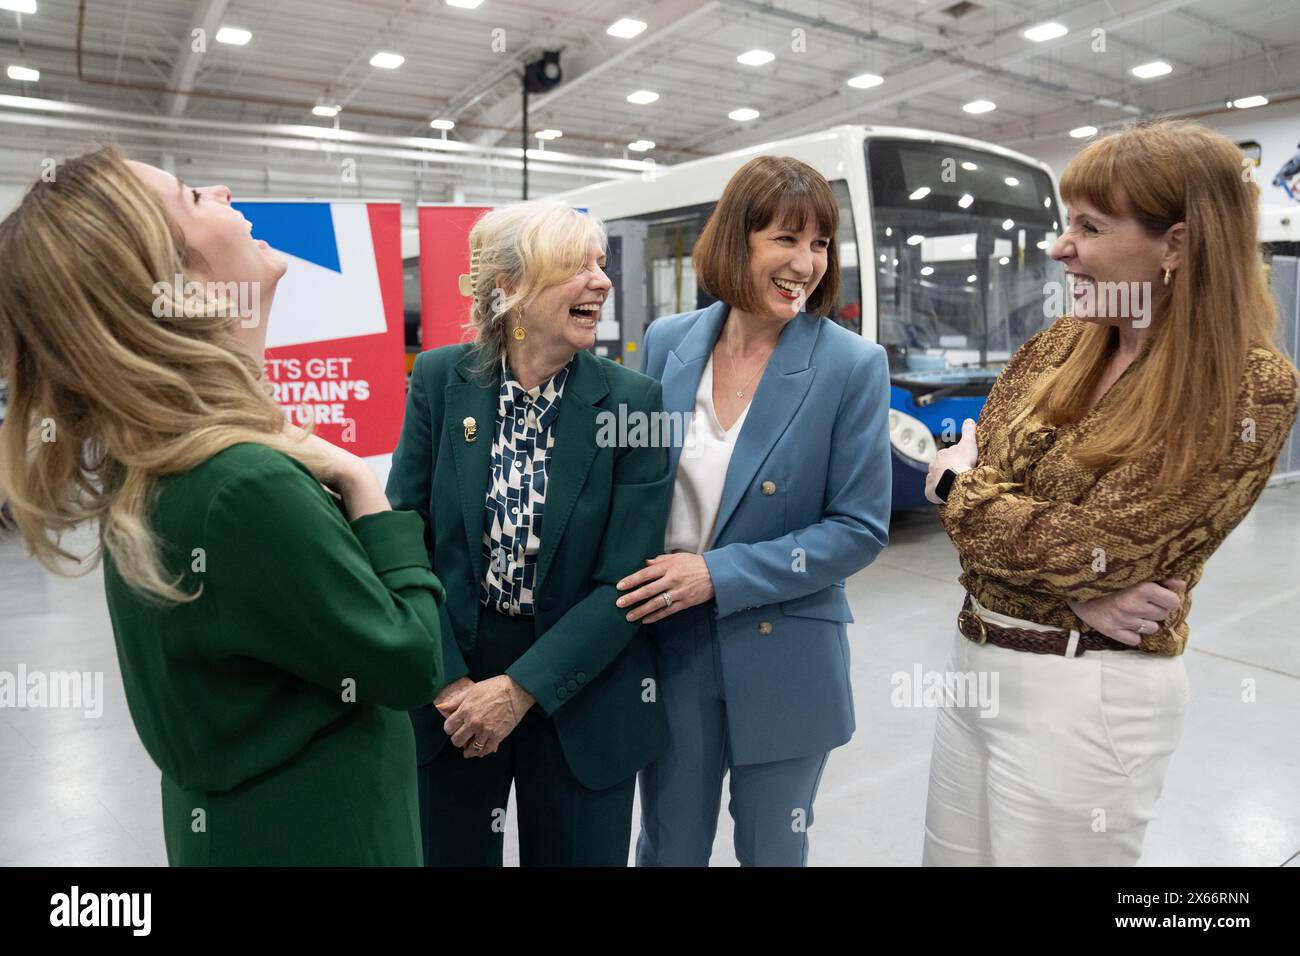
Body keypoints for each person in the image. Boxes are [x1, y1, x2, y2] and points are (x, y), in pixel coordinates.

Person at [0, 147, 445, 865]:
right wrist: (367, 493)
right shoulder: (242, 486)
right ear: (182, 284)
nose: (224, 188)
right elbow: (411, 659)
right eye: (195, 197)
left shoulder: (159, 464)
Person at [922, 120, 1300, 866]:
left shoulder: (1248, 387)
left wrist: (955, 486)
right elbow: (1060, 548)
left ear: (1179, 246)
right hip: (974, 660)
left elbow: (1102, 551)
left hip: (1086, 695)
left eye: (1089, 227)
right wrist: (1067, 575)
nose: (1061, 247)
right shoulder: (1060, 343)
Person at [619, 155, 892, 866]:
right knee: (667, 848)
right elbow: (634, 487)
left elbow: (859, 529)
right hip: (671, 646)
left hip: (786, 653)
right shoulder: (669, 343)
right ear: (736, 240)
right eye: (786, 239)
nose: (806, 263)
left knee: (773, 851)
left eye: (821, 243)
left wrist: (718, 574)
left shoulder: (850, 365)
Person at [387, 200, 673, 866]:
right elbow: (407, 537)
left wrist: (519, 689)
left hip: (584, 683)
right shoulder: (438, 379)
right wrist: (453, 685)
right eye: (576, 265)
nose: (600, 281)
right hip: (452, 681)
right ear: (510, 288)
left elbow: (626, 578)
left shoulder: (636, 403)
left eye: (601, 263)